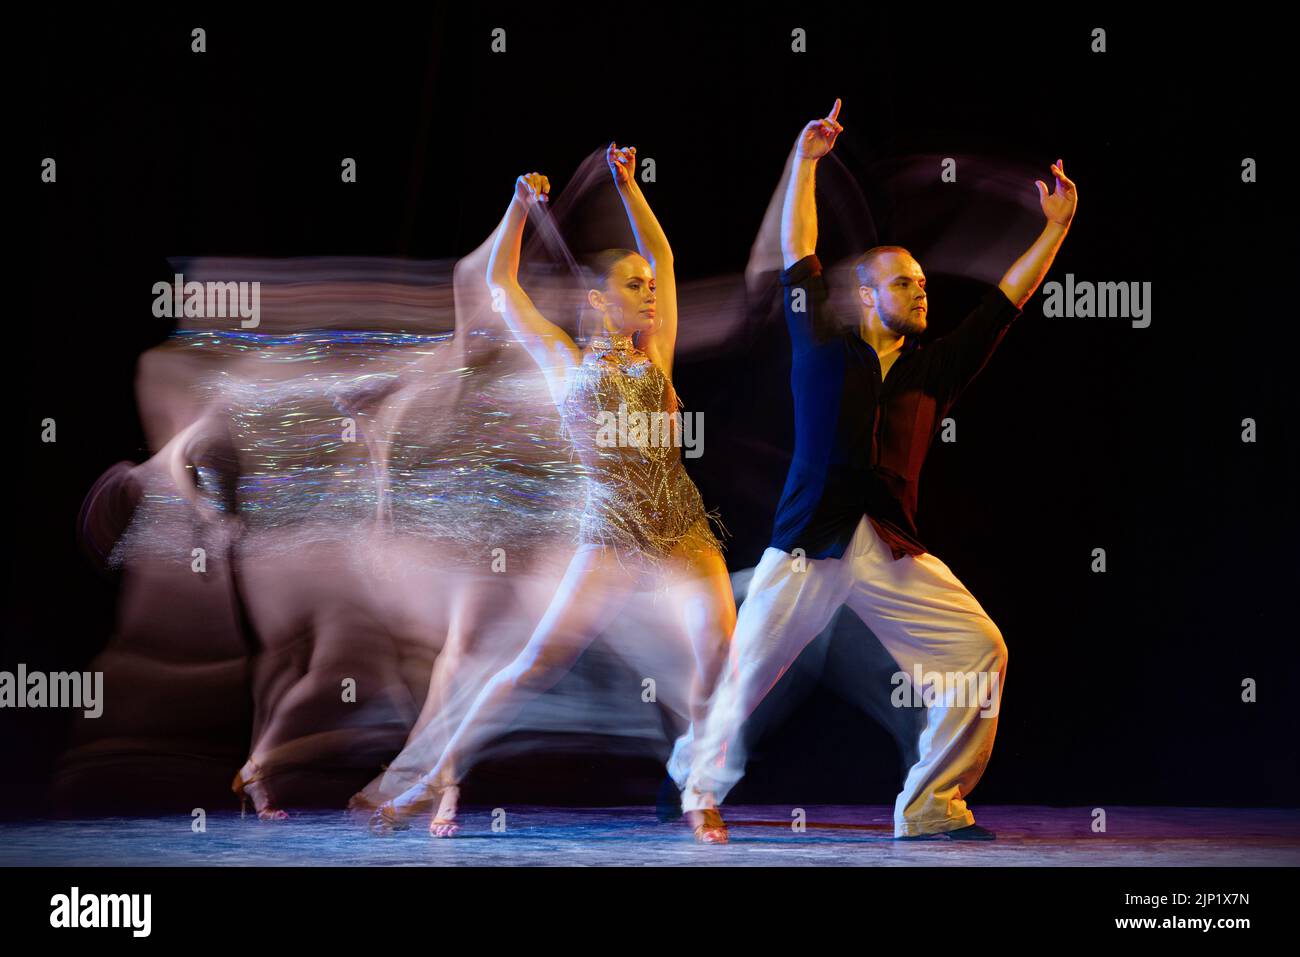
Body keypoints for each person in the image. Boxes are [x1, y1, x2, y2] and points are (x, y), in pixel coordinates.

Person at [684, 99, 1078, 839]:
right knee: (746, 677)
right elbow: (798, 247)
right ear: (867, 295)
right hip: (808, 544)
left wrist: (1053, 226)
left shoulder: (935, 370)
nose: (922, 289)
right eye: (905, 283)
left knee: (979, 647)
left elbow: (1006, 303)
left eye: (924, 282)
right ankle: (698, 789)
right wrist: (805, 162)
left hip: (887, 544)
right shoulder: (822, 344)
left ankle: (930, 804)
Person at [369, 144, 736, 843]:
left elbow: (663, 254)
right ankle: (432, 780)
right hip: (608, 530)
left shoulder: (656, 353)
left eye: (651, 288)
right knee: (532, 663)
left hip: (680, 523)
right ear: (599, 298)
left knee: (720, 649)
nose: (651, 294)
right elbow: (503, 285)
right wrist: (516, 209)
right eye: (635, 285)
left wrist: (630, 188)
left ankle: (699, 787)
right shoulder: (564, 362)